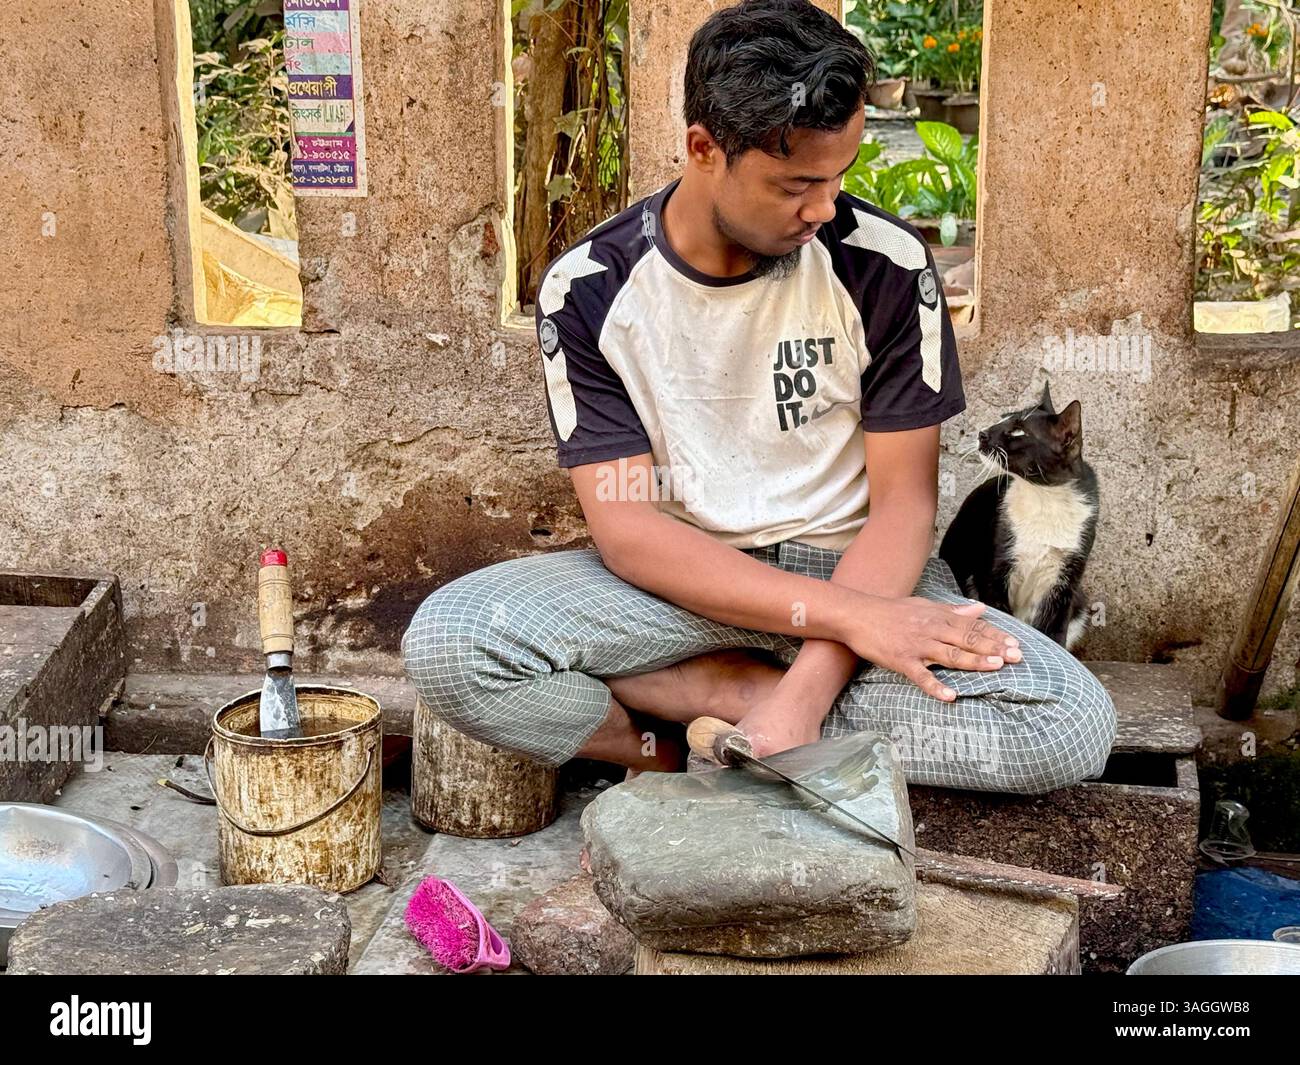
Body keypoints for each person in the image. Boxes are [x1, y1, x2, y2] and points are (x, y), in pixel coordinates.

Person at [403, 0, 1115, 792]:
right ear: (703, 149)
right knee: (451, 643)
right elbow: (631, 529)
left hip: (861, 573)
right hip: (682, 587)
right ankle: (691, 722)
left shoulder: (885, 264)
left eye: (839, 176)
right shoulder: (590, 292)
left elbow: (903, 509)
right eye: (795, 184)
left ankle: (744, 710)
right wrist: (840, 636)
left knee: (1071, 725)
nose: (823, 208)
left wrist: (812, 683)